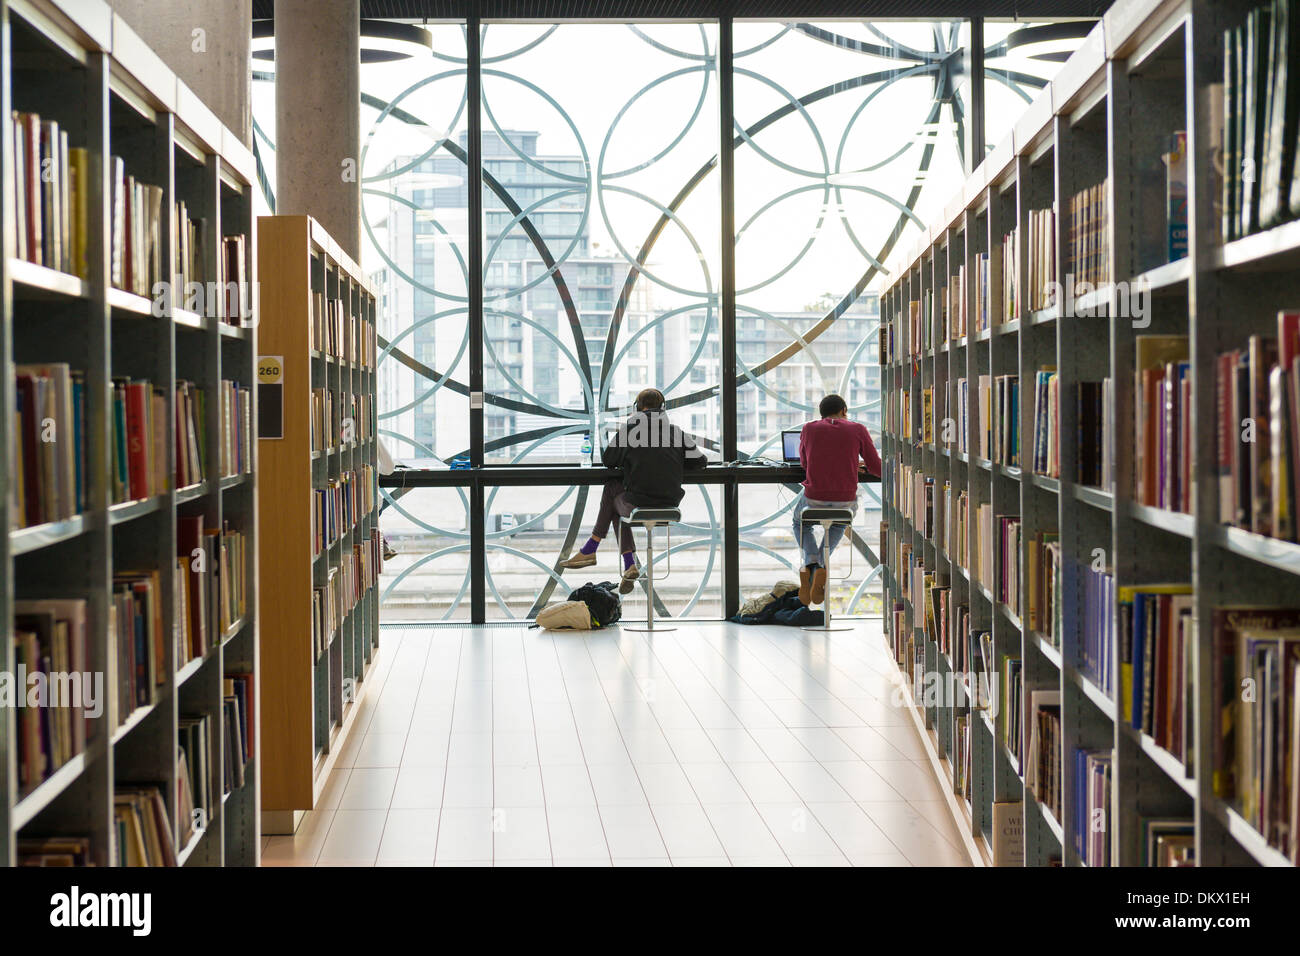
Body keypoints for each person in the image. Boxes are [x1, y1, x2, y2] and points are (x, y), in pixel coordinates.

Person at [559, 388, 707, 593]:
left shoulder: (631, 430)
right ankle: (625, 563)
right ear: (662, 408)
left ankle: (594, 549)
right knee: (618, 506)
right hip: (670, 505)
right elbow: (701, 462)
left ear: (637, 408)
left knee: (613, 492)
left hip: (639, 503)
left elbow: (609, 460)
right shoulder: (676, 432)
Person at [793, 393, 881, 606]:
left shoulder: (809, 428)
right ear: (844, 411)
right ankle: (822, 565)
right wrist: (855, 465)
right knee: (839, 523)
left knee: (799, 522)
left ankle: (811, 563)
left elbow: (805, 463)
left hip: (814, 498)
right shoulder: (858, 429)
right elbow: (877, 468)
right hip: (845, 500)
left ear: (821, 413)